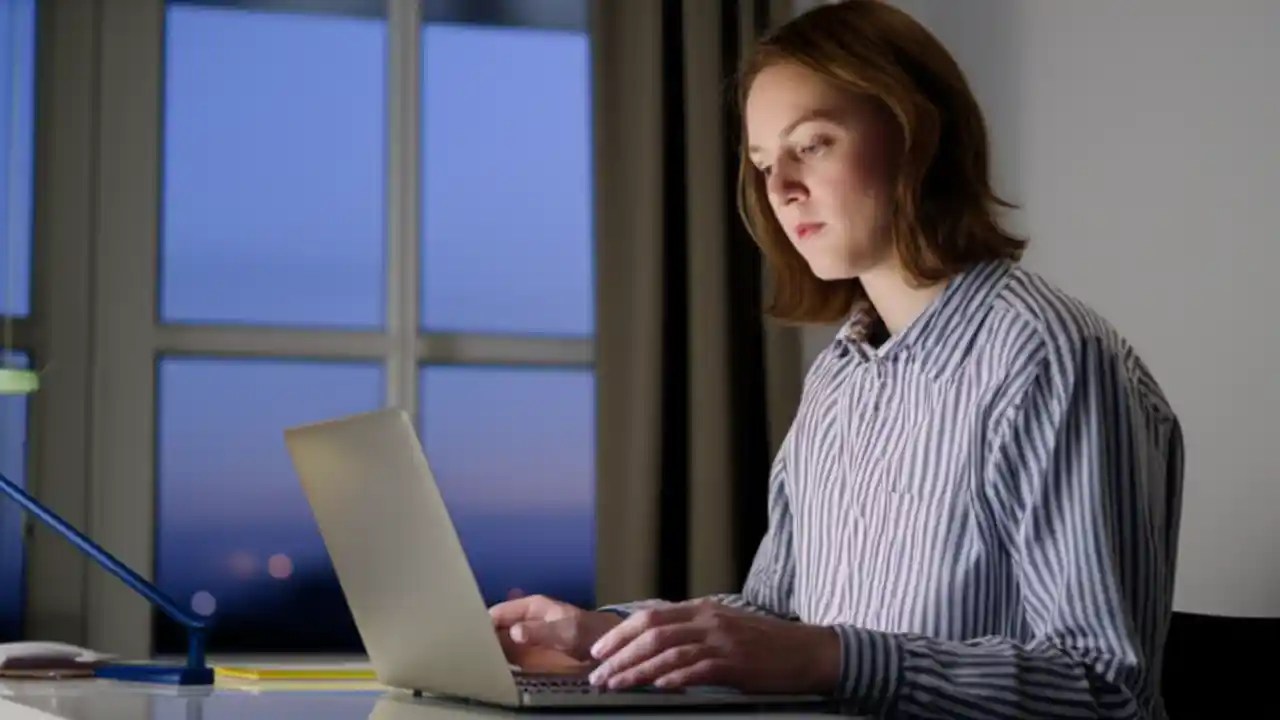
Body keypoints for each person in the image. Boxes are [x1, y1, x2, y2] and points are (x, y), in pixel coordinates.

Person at [489, 1, 1185, 717]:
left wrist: (835, 658)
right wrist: (608, 636)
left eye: (812, 144)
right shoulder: (841, 373)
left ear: (916, 133)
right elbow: (777, 619)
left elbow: (1105, 690)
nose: (781, 189)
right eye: (763, 164)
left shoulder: (1048, 361)